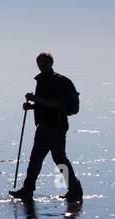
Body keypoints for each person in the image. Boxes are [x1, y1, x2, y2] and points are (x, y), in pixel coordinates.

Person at [9, 52, 83, 202]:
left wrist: (35, 99)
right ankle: (28, 190)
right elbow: (46, 103)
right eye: (39, 63)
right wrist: (31, 107)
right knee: (36, 158)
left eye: (44, 63)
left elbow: (56, 103)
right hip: (44, 125)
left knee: (59, 158)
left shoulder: (57, 81)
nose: (41, 65)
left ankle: (74, 190)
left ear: (51, 63)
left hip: (56, 126)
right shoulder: (42, 80)